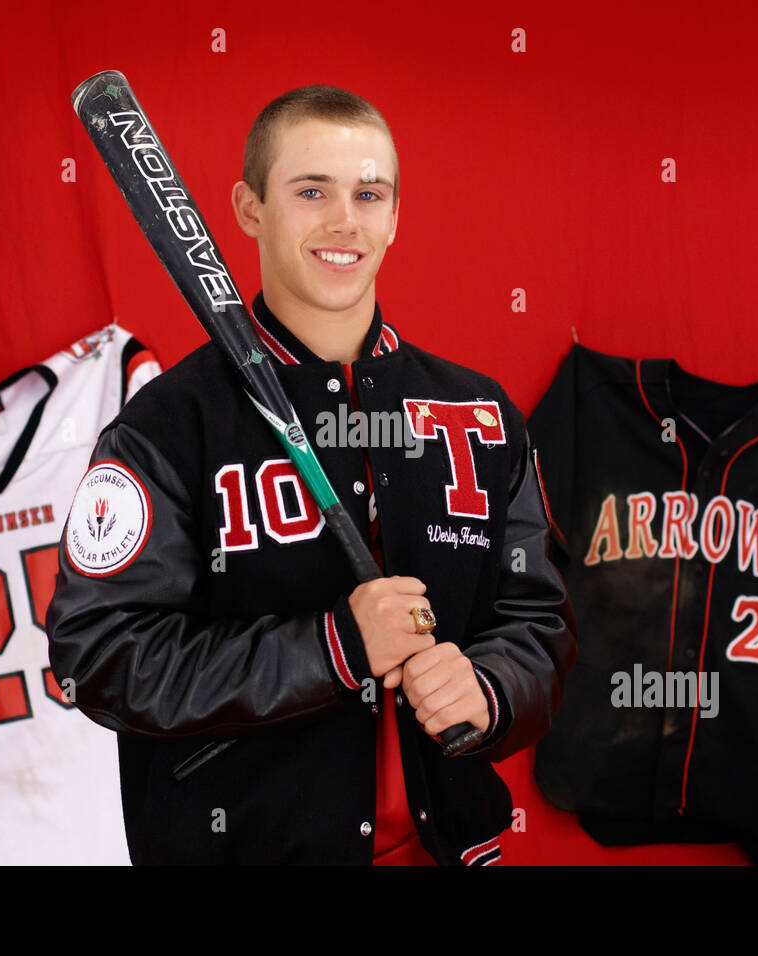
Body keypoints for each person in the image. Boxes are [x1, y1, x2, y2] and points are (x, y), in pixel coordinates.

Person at [46, 84, 576, 865]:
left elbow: (543, 622)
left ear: (395, 215)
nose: (344, 221)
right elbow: (100, 656)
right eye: (311, 191)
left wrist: (493, 689)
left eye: (369, 194)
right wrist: (333, 648)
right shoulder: (165, 427)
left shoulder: (481, 412)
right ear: (249, 207)